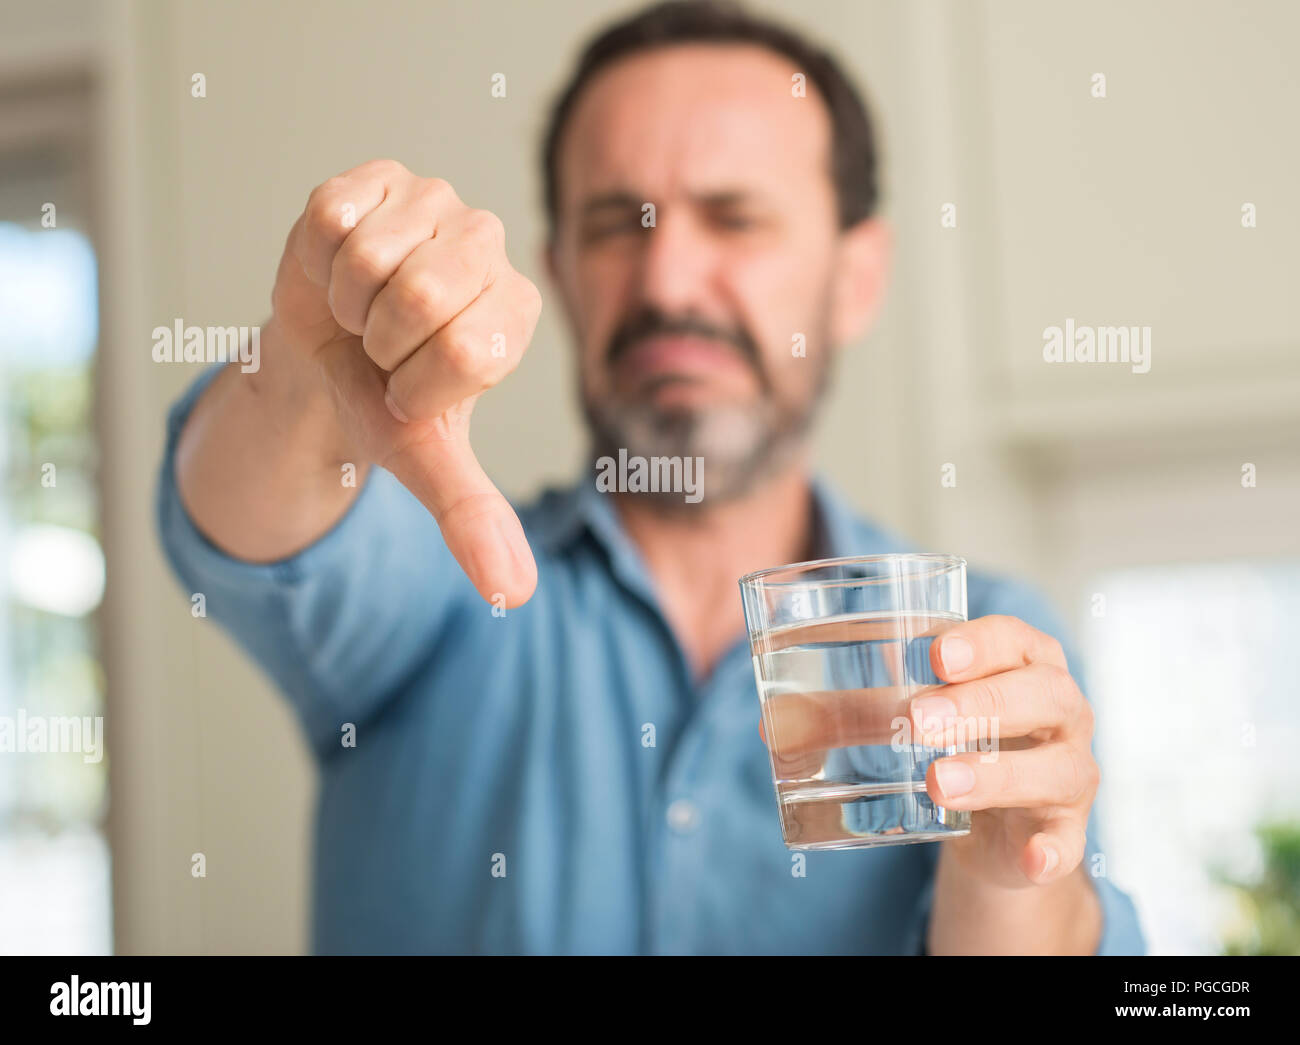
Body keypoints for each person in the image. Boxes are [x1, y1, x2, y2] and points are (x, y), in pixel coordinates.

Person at [156, 0, 1144, 954]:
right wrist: (304, 366)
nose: (668, 280)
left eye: (735, 218)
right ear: (561, 271)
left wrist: (1014, 888)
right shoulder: (442, 591)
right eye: (615, 225)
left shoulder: (980, 645)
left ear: (855, 279)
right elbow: (248, 516)